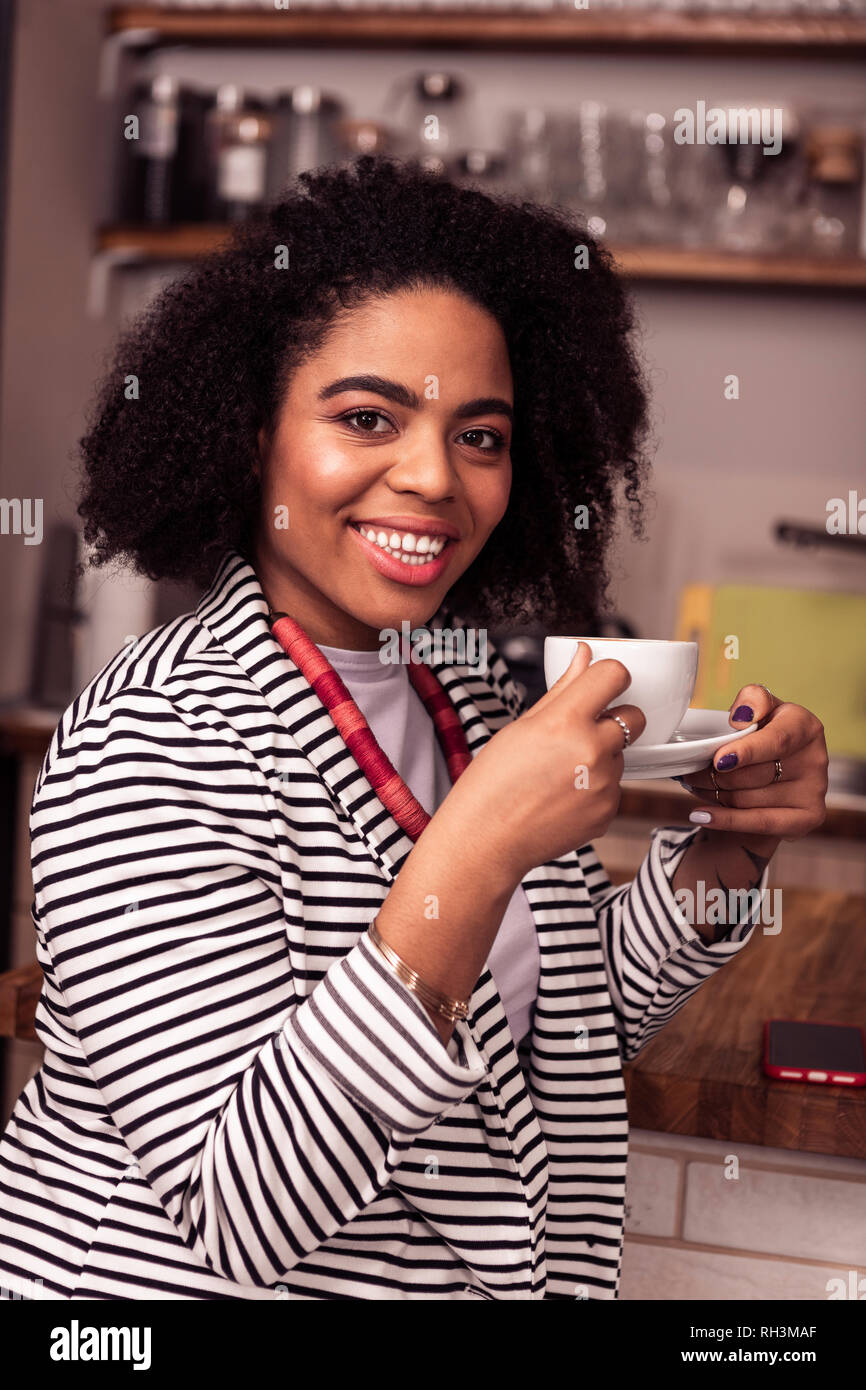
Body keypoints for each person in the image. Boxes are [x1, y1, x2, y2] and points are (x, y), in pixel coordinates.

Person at [0, 157, 828, 1301]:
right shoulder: (150, 743)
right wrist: (475, 847)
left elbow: (537, 1026)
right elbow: (242, 1209)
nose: (434, 477)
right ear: (252, 437)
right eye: (366, 417)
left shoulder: (459, 686)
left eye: (479, 435)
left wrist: (726, 858)